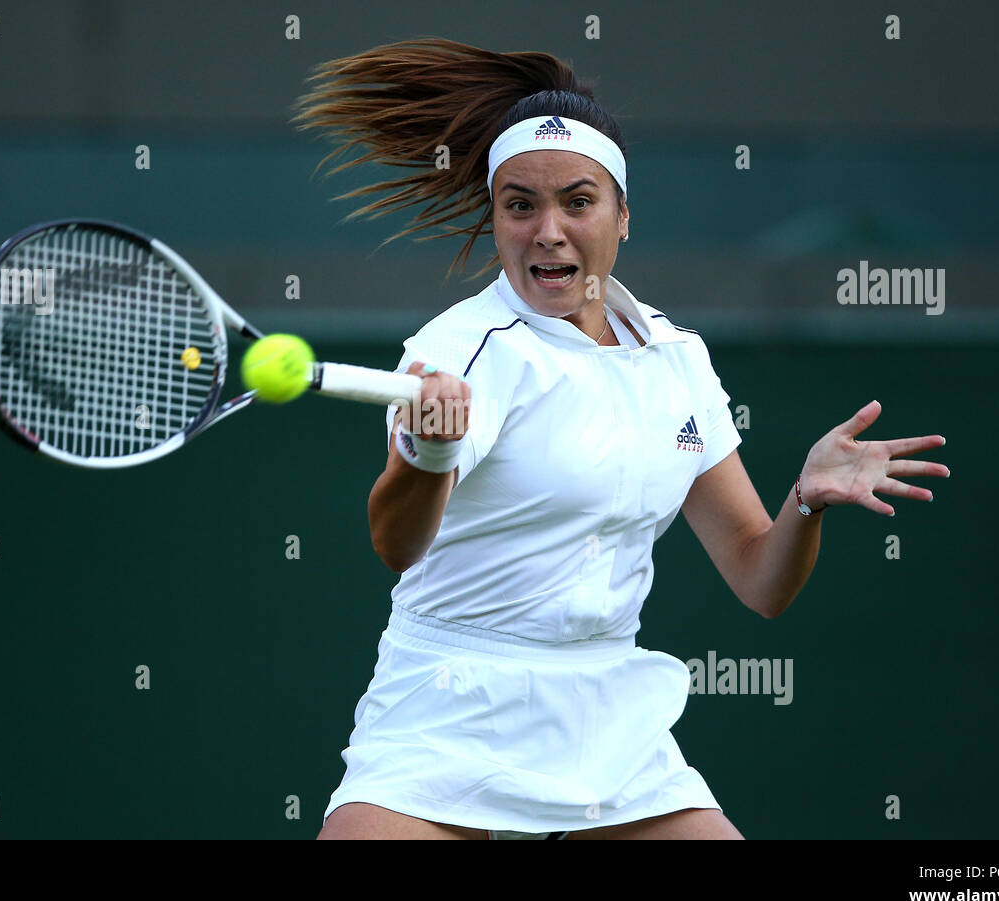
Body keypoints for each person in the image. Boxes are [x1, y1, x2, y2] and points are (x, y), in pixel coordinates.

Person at [293, 38, 949, 840]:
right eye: (519, 205)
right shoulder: (465, 348)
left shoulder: (676, 358)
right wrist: (427, 455)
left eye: (578, 201)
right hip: (447, 706)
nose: (548, 232)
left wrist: (805, 501)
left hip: (609, 716)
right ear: (495, 217)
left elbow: (761, 581)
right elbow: (396, 545)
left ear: (624, 215)